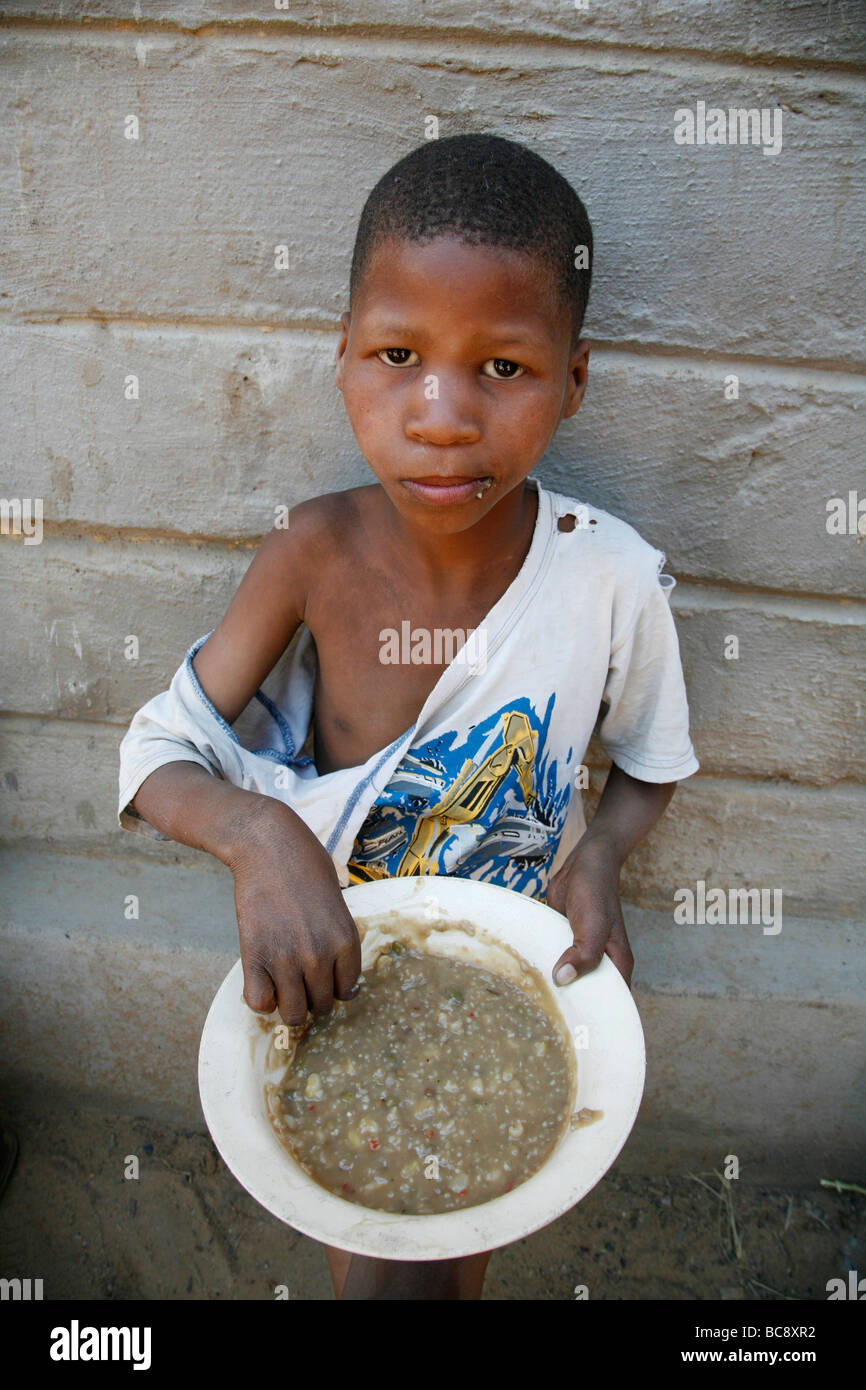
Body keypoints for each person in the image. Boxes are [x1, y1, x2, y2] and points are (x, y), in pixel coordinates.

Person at [117, 132, 699, 1300]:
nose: (440, 414)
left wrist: (600, 858)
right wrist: (257, 836)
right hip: (331, 972)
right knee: (373, 1255)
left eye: (502, 367)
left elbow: (649, 765)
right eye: (397, 354)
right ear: (340, 362)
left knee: (439, 1260)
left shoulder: (611, 582)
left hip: (506, 981)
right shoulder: (310, 554)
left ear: (572, 380)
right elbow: (153, 754)